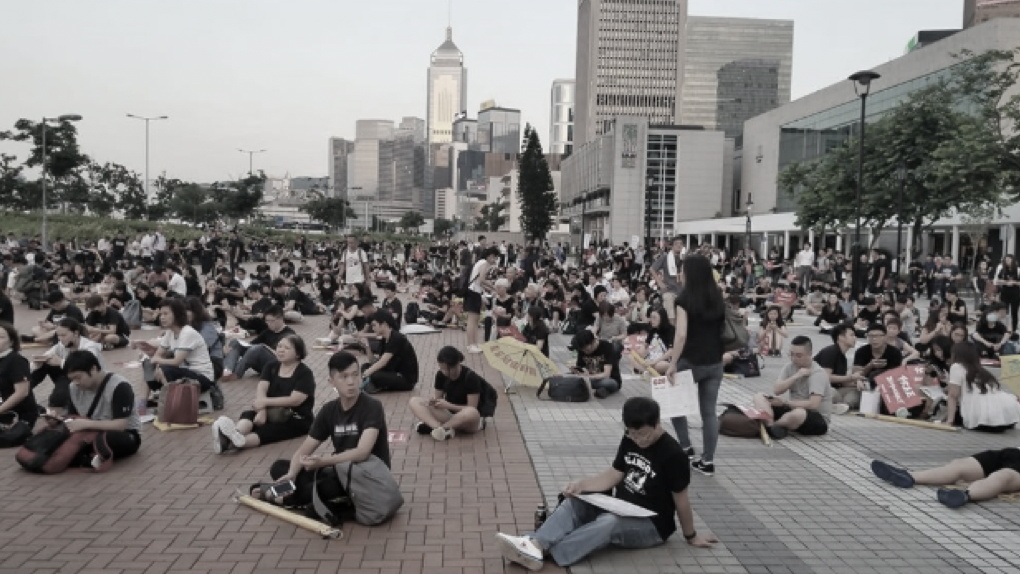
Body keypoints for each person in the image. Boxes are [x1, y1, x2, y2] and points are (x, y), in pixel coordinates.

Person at [494, 397, 717, 570]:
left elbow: (682, 499)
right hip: (620, 506)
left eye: (644, 434)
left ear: (658, 423)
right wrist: (582, 485)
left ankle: (546, 553)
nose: (639, 440)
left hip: (652, 525)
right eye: (633, 434)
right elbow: (614, 474)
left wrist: (691, 536)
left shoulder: (673, 454)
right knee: (575, 503)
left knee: (609, 522)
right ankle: (537, 545)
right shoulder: (629, 437)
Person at [251, 351, 390, 503]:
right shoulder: (329, 410)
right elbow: (304, 451)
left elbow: (362, 453)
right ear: (332, 382)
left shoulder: (372, 406)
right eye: (344, 376)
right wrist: (292, 473)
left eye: (355, 375)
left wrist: (323, 461)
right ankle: (286, 490)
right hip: (340, 471)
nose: (351, 381)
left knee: (325, 487)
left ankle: (279, 495)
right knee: (280, 467)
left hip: (368, 477)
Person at [661, 254, 725, 476]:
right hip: (715, 362)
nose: (680, 274)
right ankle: (707, 461)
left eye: (682, 270)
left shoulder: (684, 300)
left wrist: (673, 363)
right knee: (709, 413)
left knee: (676, 405)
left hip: (691, 361)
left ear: (689, 274)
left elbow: (680, 336)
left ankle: (686, 448)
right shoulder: (717, 297)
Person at [213, 334, 316, 453]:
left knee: (269, 430)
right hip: (271, 411)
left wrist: (264, 402)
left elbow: (295, 400)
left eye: (286, 348)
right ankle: (236, 434)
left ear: (298, 354)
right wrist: (261, 411)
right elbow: (262, 388)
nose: (281, 350)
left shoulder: (304, 373)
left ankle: (232, 443)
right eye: (279, 346)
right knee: (249, 415)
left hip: (296, 417)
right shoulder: (271, 366)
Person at [62, 350, 142, 467]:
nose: (76, 383)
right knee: (61, 434)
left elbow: (120, 425)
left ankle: (85, 456)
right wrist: (60, 419)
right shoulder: (73, 388)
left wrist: (86, 424)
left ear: (93, 369)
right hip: (89, 432)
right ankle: (89, 457)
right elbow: (73, 416)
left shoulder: (119, 386)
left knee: (107, 439)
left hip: (124, 434)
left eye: (78, 377)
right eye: (72, 379)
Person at [871, 449, 1020, 508]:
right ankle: (910, 476)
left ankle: (965, 495)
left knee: (1002, 477)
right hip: (1012, 453)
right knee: (959, 465)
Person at [408, 346, 496, 441]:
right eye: (442, 368)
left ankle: (442, 428)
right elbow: (438, 398)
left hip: (468, 419)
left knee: (471, 412)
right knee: (414, 401)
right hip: (449, 415)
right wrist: (434, 401)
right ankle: (439, 428)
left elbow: (472, 407)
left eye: (449, 369)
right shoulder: (440, 375)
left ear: (457, 364)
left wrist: (448, 405)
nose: (445, 372)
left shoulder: (470, 377)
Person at [753, 335, 833, 439]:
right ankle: (770, 425)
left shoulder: (818, 374)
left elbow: (814, 405)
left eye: (799, 356)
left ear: (810, 354)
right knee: (759, 396)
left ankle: (774, 426)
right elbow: (777, 390)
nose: (794, 359)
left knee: (798, 414)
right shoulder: (789, 367)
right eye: (791, 355)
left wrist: (785, 403)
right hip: (793, 408)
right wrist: (796, 376)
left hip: (816, 418)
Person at [139, 298, 216, 395]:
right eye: (161, 314)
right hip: (185, 372)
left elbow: (176, 361)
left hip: (202, 377)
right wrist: (156, 362)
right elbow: (157, 354)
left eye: (166, 314)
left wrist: (158, 362)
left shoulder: (187, 332)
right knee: (148, 365)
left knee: (165, 370)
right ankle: (142, 404)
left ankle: (171, 401)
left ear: (177, 314)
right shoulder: (170, 332)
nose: (162, 317)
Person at [30, 318, 106, 414]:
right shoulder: (61, 345)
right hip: (69, 376)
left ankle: (58, 405)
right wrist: (36, 363)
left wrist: (61, 362)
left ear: (76, 333)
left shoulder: (89, 347)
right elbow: (47, 355)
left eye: (64, 335)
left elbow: (84, 366)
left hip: (86, 380)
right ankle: (22, 389)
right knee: (45, 362)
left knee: (58, 397)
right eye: (58, 336)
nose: (60, 339)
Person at [941, 342, 1020, 431]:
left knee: (959, 417)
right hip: (1007, 413)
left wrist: (949, 421)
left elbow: (953, 396)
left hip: (981, 416)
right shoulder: (979, 369)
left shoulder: (956, 366)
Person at [220, 306, 294, 381]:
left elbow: (287, 358)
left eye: (271, 321)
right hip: (261, 363)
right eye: (266, 321)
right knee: (235, 342)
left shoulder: (289, 335)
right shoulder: (268, 331)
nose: (268, 323)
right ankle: (227, 370)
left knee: (258, 348)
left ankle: (237, 374)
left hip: (276, 365)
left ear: (280, 319)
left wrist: (265, 347)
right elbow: (251, 344)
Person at [362, 309, 419, 393]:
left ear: (384, 324)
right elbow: (374, 361)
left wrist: (364, 375)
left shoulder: (396, 338)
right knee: (365, 366)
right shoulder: (384, 339)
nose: (373, 328)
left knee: (374, 375)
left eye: (374, 325)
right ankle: (372, 384)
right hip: (392, 371)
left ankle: (373, 385)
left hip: (406, 379)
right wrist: (367, 347)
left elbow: (382, 362)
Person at [0, 322, 39, 443]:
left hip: (18, 414)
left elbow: (22, 392)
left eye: (1, 337)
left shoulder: (16, 360)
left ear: (11, 342)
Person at [814, 323, 865, 412]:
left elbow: (842, 382)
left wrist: (857, 382)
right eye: (852, 335)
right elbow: (826, 377)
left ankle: (841, 405)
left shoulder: (843, 357)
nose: (855, 338)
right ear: (841, 337)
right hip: (818, 388)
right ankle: (834, 405)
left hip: (836, 389)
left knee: (857, 392)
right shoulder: (831, 351)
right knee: (831, 392)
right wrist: (851, 377)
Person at [465, 247, 498, 354]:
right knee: (472, 320)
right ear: (490, 256)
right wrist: (494, 287)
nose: (495, 260)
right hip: (473, 292)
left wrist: (489, 289)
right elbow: (482, 279)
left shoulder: (480, 262)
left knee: (475, 320)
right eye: (494, 257)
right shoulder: (483, 263)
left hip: (474, 292)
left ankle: (473, 343)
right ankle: (471, 344)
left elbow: (481, 282)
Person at [570, 330, 621, 399]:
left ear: (593, 342)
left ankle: (589, 387)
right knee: (568, 377)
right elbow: (581, 367)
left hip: (609, 379)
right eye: (582, 350)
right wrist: (576, 371)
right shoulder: (581, 349)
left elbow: (606, 374)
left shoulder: (607, 347)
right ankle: (601, 390)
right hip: (591, 378)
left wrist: (588, 377)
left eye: (586, 349)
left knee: (608, 383)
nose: (584, 351)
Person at [649, 237, 685, 325]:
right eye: (676, 243)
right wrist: (660, 282)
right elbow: (652, 269)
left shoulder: (684, 258)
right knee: (670, 312)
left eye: (681, 243)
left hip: (682, 290)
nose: (679, 245)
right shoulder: (666, 257)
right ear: (671, 246)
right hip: (670, 290)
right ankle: (672, 332)